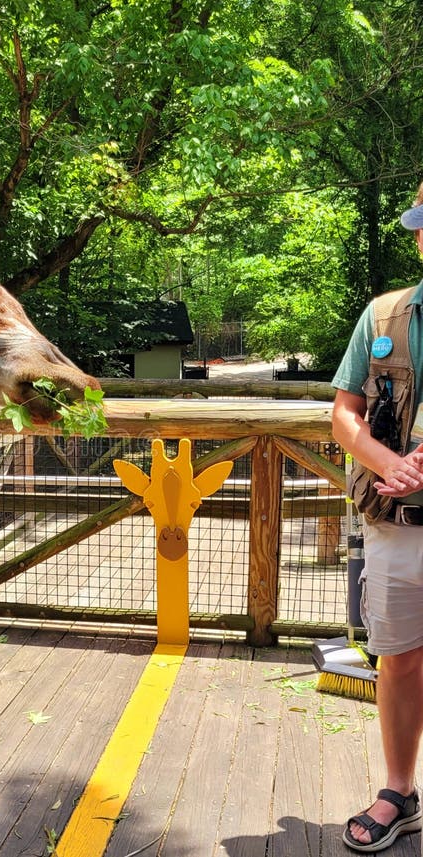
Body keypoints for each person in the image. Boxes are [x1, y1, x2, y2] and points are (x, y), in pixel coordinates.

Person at [332, 184, 423, 852]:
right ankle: (399, 790)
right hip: (394, 523)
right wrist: (387, 462)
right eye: (422, 226)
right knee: (398, 660)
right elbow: (344, 414)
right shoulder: (383, 315)